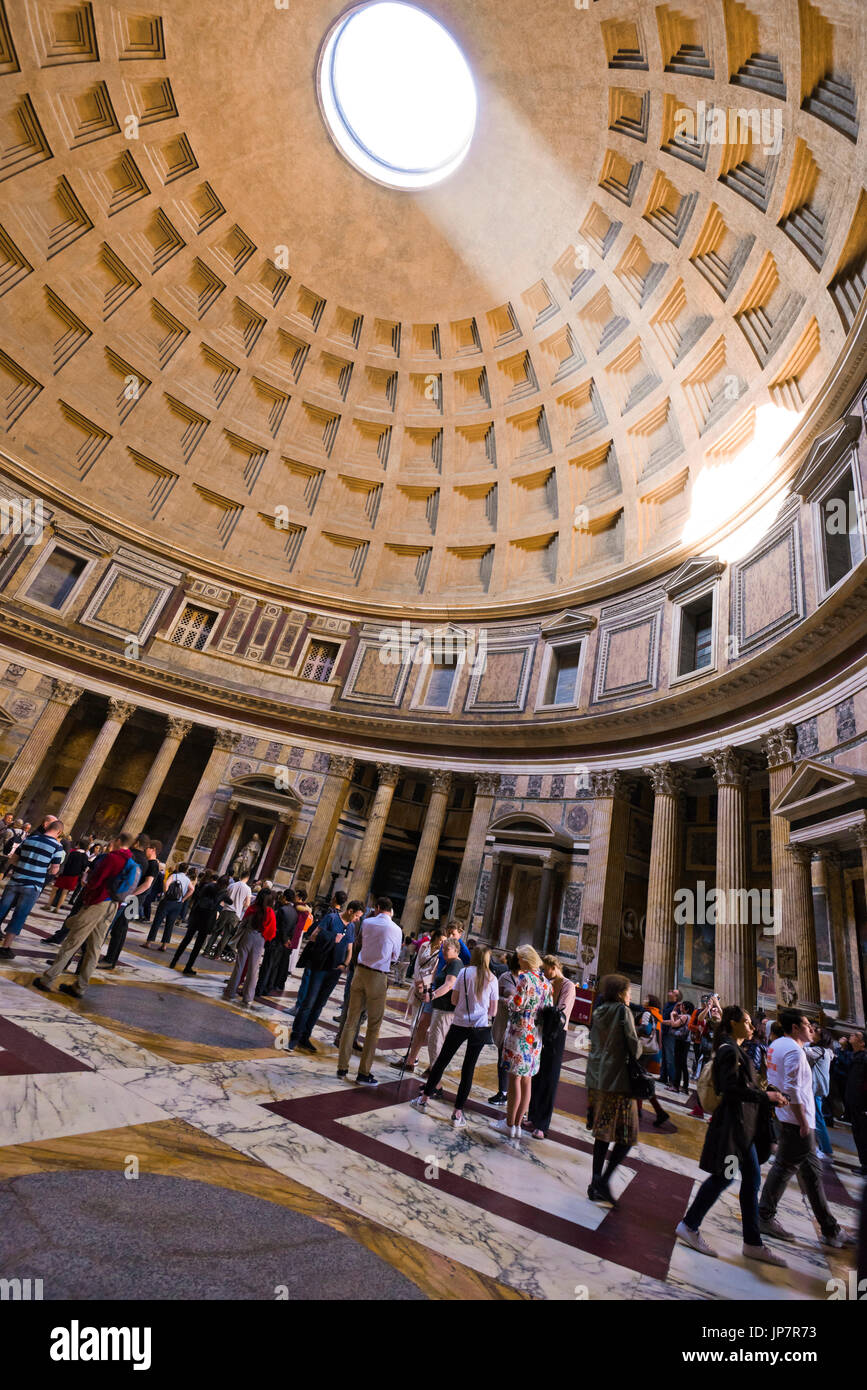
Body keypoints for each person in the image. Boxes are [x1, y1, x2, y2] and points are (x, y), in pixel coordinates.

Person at [675, 1004, 788, 1265]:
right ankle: (690, 1225)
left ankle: (752, 1242)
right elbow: (730, 1088)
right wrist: (766, 1096)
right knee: (724, 1178)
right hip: (732, 1129)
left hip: (741, 1129)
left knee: (749, 1181)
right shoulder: (728, 1050)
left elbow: (741, 1085)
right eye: (747, 1021)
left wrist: (766, 1092)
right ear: (732, 1023)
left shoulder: (735, 1049)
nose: (752, 1026)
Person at [758, 1010, 855, 1249]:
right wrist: (802, 1121)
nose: (811, 1029)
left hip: (789, 1116)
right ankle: (764, 1215)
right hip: (796, 1120)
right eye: (806, 1025)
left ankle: (831, 1230)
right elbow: (792, 1089)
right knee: (784, 1167)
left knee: (811, 1174)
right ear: (794, 1028)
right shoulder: (793, 1050)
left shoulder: (778, 1044)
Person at [34, 834, 138, 997]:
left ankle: (47, 979)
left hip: (98, 902)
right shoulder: (130, 861)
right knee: (94, 948)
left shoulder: (113, 858)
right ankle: (80, 986)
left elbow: (97, 879)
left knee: (73, 940)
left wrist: (87, 885)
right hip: (113, 905)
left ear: (118, 841)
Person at [412, 944, 499, 1126]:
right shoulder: (492, 979)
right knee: (468, 1069)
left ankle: (424, 1099)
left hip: (459, 1023)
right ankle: (457, 1113)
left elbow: (453, 999)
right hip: (479, 1026)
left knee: (442, 1060)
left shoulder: (464, 973)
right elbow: (493, 1011)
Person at [585, 973, 640, 1204]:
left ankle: (595, 1181)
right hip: (618, 1081)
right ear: (621, 992)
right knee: (628, 1134)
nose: (629, 995)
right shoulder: (622, 1011)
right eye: (628, 991)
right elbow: (634, 1047)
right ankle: (603, 1181)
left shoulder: (598, 1011)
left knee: (602, 1132)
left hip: (597, 1078)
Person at [336, 896, 402, 1085]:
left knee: (351, 1020)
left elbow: (360, 943)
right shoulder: (396, 930)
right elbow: (395, 956)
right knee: (374, 1026)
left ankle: (342, 1067)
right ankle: (364, 1072)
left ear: (378, 907)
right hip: (378, 976)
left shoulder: (367, 922)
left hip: (360, 973)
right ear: (390, 910)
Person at [491, 943, 552, 1141]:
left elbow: (516, 1004)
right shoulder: (546, 982)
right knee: (527, 1080)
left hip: (519, 1034)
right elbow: (549, 1008)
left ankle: (509, 1123)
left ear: (526, 959)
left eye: (519, 959)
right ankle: (517, 1125)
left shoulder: (525, 978)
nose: (517, 962)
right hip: (536, 1037)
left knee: (514, 1078)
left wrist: (507, 1002)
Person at [287, 899, 364, 1051]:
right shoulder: (331, 918)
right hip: (320, 966)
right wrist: (332, 938)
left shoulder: (351, 927)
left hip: (334, 970)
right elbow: (314, 936)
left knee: (319, 1004)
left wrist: (345, 964)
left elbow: (349, 948)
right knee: (309, 1002)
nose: (358, 919)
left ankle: (305, 1036)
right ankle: (295, 1036)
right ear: (350, 911)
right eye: (357, 915)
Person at [526, 955, 577, 1139]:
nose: (542, 972)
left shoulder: (567, 985)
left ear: (554, 967)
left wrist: (542, 1009)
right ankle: (532, 1115)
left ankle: (542, 1124)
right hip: (540, 1030)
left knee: (550, 1078)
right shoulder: (545, 982)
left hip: (556, 1033)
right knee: (536, 1074)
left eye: (545, 968)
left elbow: (560, 1010)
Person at [0, 819, 66, 957]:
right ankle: (5, 947)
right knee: (20, 915)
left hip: (15, 880)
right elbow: (54, 870)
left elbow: (13, 859)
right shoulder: (57, 847)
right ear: (59, 832)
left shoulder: (30, 839)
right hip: (33, 885)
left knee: (2, 909)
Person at [100, 836, 160, 968]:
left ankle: (110, 960)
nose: (145, 850)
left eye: (148, 848)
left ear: (153, 849)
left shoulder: (153, 864)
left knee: (120, 928)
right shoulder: (149, 863)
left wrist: (130, 893)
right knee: (119, 928)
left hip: (134, 899)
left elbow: (147, 884)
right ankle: (110, 959)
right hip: (133, 898)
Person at [392, 927, 444, 1072]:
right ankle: (411, 1054)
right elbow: (417, 965)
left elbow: (435, 971)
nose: (442, 943)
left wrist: (426, 985)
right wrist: (417, 981)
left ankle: (413, 1056)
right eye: (441, 940)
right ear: (436, 937)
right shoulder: (425, 946)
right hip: (418, 985)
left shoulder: (442, 953)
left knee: (423, 1025)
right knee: (414, 1023)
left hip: (429, 989)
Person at [289, 891, 347, 1015]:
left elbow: (317, 933)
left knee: (307, 979)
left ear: (334, 899)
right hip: (328, 955)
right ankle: (306, 1007)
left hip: (317, 951)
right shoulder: (341, 918)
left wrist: (313, 936)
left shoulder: (330, 914)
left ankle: (299, 1006)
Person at [222, 889, 277, 1008]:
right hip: (260, 938)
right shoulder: (270, 912)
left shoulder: (252, 908)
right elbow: (272, 931)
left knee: (240, 965)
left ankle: (231, 991)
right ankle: (248, 997)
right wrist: (265, 936)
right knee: (253, 969)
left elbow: (243, 923)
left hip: (248, 935)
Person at [171, 873, 231, 975]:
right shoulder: (223, 892)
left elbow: (198, 896)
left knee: (186, 939)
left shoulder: (209, 886)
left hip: (197, 914)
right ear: (226, 884)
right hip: (208, 918)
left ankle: (174, 961)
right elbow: (230, 902)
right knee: (198, 945)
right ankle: (188, 967)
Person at [422, 937, 462, 1078]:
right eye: (443, 948)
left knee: (435, 1041)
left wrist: (432, 995)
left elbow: (449, 984)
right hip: (440, 1007)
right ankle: (434, 1074)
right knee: (435, 1040)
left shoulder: (455, 964)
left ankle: (435, 1079)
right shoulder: (448, 963)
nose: (443, 951)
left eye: (447, 948)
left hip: (445, 1009)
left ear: (456, 950)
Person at [636, 993, 673, 1128]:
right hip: (651, 1050)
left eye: (646, 999)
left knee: (637, 1078)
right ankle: (648, 1109)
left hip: (642, 1050)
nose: (644, 1000)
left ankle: (651, 1110)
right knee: (640, 1078)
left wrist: (632, 1029)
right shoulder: (657, 1015)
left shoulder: (647, 1013)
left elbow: (645, 1029)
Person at [488, 950, 519, 1106]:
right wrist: (504, 1000)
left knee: (516, 1062)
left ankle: (515, 1095)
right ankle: (503, 1092)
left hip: (519, 1026)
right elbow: (494, 997)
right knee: (502, 1059)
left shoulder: (527, 980)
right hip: (504, 1022)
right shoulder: (505, 977)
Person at [205, 870, 252, 960]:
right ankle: (217, 955)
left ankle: (207, 951)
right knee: (226, 935)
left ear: (240, 875)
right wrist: (242, 904)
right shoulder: (248, 889)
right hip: (235, 914)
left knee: (216, 932)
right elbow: (247, 904)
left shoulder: (231, 885)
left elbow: (224, 897)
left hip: (225, 910)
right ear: (248, 878)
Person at [146, 862, 193, 948]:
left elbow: (166, 884)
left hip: (168, 901)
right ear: (186, 870)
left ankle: (149, 942)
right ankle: (164, 945)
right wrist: (183, 899)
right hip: (178, 904)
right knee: (170, 924)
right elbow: (191, 889)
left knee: (157, 921)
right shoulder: (187, 879)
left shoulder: (174, 876)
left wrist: (166, 893)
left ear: (178, 868)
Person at [805, 1027, 835, 1160]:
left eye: (815, 1031)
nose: (812, 1032)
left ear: (822, 1037)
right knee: (815, 1117)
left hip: (815, 1089)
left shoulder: (819, 1051)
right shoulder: (826, 1051)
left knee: (817, 1118)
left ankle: (826, 1150)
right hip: (816, 1089)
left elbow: (801, 1051)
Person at [47, 839, 89, 913]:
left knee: (55, 889)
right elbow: (84, 867)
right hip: (74, 876)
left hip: (65, 874)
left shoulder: (73, 853)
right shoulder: (85, 856)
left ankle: (48, 905)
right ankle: (57, 908)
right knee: (65, 893)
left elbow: (67, 863)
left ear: (79, 845)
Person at [846, 1030, 867, 1174]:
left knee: (863, 1135)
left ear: (862, 1042)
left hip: (862, 1104)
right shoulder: (855, 1056)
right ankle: (864, 1164)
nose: (851, 1036)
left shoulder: (864, 1058)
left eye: (856, 1036)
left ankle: (866, 1166)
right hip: (854, 1101)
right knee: (858, 1134)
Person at [670, 995, 693, 1094]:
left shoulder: (684, 1016)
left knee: (678, 1064)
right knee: (683, 1065)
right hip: (686, 1042)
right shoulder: (688, 1017)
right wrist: (675, 1009)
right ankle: (685, 1087)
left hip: (681, 1042)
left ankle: (675, 1086)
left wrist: (671, 1014)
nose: (681, 1007)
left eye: (682, 1006)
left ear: (686, 1009)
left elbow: (674, 1024)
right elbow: (675, 1020)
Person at [660, 988, 682, 1087]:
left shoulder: (677, 1007)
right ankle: (663, 1076)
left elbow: (674, 1021)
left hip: (671, 1034)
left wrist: (662, 1022)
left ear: (676, 997)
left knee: (670, 1057)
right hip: (664, 1031)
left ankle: (672, 1080)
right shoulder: (667, 1004)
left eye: (673, 992)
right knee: (664, 1055)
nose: (670, 992)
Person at [287, 890, 313, 975]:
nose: (294, 897)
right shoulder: (305, 907)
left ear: (300, 897)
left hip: (294, 931)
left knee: (290, 953)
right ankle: (290, 968)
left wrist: (307, 908)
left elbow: (298, 907)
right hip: (298, 931)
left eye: (296, 895)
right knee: (293, 952)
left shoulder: (299, 906)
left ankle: (288, 968)